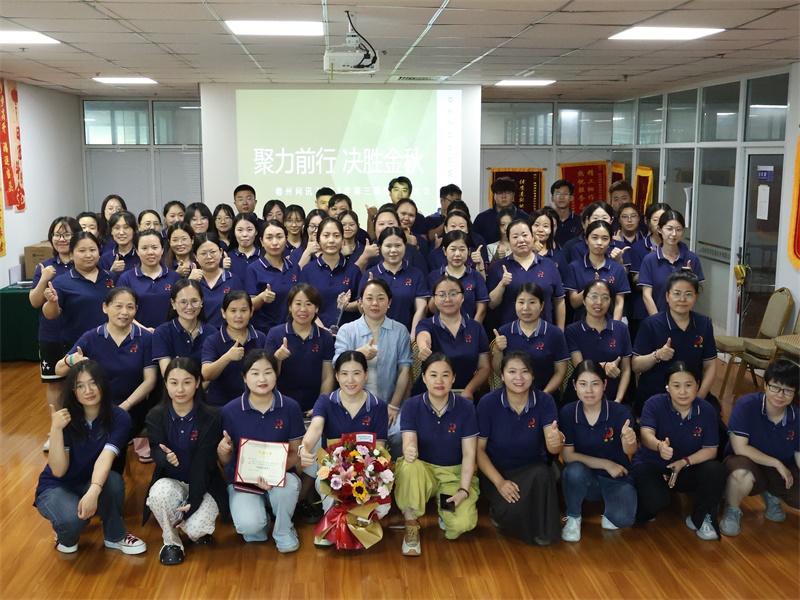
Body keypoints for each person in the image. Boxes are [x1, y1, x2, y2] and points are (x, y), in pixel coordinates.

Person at [34, 360, 146, 555]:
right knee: (73, 522)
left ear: (103, 384)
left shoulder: (119, 418)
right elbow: (58, 471)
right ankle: (64, 534)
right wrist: (56, 429)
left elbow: (106, 457)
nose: (88, 390)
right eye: (80, 386)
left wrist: (93, 491)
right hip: (57, 486)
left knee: (113, 481)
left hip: (89, 480)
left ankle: (115, 536)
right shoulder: (66, 419)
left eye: (93, 383)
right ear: (73, 392)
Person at [299, 351, 391, 545]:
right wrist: (304, 447)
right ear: (337, 376)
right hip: (333, 471)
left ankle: (354, 526)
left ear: (366, 375)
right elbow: (315, 427)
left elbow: (380, 447)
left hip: (366, 472)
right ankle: (334, 527)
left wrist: (366, 475)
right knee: (325, 485)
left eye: (356, 373)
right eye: (345, 374)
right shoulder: (326, 401)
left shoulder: (378, 406)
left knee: (383, 507)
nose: (350, 380)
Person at [218, 351, 303, 552]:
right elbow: (225, 461)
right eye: (255, 373)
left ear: (276, 374)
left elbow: (295, 452)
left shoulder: (290, 407)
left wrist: (272, 474)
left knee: (288, 487)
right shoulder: (229, 411)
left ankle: (283, 530)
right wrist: (224, 450)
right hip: (243, 481)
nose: (262, 379)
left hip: (280, 476)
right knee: (250, 527)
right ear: (244, 377)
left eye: (268, 372)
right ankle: (261, 522)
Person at [395, 353, 480, 556]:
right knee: (408, 466)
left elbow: (469, 454)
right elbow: (409, 442)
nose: (439, 381)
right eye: (433, 375)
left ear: (453, 378)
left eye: (445, 375)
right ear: (424, 378)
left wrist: (463, 490)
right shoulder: (412, 405)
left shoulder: (466, 407)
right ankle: (411, 524)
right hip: (423, 472)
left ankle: (445, 510)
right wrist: (409, 450)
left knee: (461, 524)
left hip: (453, 475)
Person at [144, 357, 225, 565]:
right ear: (166, 384)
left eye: (187, 382)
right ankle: (171, 542)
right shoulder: (155, 415)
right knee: (159, 494)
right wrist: (164, 458)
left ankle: (190, 527)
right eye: (174, 382)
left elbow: (204, 463)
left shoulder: (212, 416)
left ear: (197, 383)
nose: (180, 389)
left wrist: (194, 500)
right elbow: (155, 449)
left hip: (204, 484)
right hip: (172, 481)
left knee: (196, 529)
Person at [476, 351, 563, 545]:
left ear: (532, 375)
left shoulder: (545, 401)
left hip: (533, 470)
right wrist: (500, 483)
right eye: (512, 371)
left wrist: (556, 441)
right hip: (497, 472)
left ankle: (542, 533)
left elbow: (553, 449)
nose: (519, 378)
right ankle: (504, 515)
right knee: (508, 513)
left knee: (543, 474)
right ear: (502, 375)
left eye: (525, 371)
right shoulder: (488, 403)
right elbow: (479, 450)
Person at [56, 288, 158, 452]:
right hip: (93, 406)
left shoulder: (146, 338)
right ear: (105, 307)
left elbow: (150, 381)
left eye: (130, 307)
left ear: (136, 310)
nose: (124, 312)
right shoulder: (91, 337)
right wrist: (72, 360)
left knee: (113, 439)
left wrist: (124, 407)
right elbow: (59, 370)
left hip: (132, 408)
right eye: (118, 306)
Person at [632, 362, 725, 541]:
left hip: (685, 468)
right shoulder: (654, 403)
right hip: (653, 465)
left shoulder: (706, 410)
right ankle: (646, 501)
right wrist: (659, 446)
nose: (683, 392)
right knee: (655, 503)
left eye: (688, 385)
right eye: (676, 386)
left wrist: (684, 462)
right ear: (667, 387)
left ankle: (701, 517)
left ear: (698, 385)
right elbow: (645, 434)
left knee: (716, 470)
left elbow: (711, 450)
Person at [559, 361, 638, 542]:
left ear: (604, 385)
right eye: (583, 384)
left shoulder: (620, 412)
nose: (589, 390)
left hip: (616, 477)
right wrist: (606, 464)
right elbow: (567, 456)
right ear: (574, 386)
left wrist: (630, 441)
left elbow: (630, 451)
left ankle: (609, 506)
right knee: (573, 471)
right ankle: (573, 517)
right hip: (586, 477)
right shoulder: (568, 412)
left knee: (623, 519)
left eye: (595, 384)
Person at [720, 359, 799, 537]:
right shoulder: (746, 405)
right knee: (741, 475)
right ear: (765, 385)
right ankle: (732, 509)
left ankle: (772, 495)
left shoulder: (797, 417)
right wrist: (776, 463)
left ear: (795, 393)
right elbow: (740, 448)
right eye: (775, 387)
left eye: (788, 390)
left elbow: (798, 454)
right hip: (746, 461)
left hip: (780, 469)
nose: (780, 395)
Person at [333, 279, 412, 439]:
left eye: (381, 298)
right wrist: (358, 354)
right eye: (369, 298)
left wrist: (394, 406)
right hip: (352, 405)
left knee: (398, 435)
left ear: (389, 302)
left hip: (389, 403)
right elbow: (337, 364)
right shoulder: (347, 330)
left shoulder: (400, 331)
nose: (375, 303)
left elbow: (405, 371)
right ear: (360, 302)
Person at [632, 272, 717, 413]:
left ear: (696, 296)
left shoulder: (704, 324)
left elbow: (710, 366)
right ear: (667, 296)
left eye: (688, 294)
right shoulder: (651, 324)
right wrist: (657, 355)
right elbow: (636, 365)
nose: (682, 299)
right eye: (677, 293)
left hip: (691, 394)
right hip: (656, 396)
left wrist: (698, 399)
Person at [30, 217, 82, 430]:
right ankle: (57, 430)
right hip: (51, 335)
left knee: (84, 380)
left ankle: (83, 428)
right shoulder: (45, 266)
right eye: (57, 235)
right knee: (54, 383)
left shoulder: (84, 262)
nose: (62, 239)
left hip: (79, 334)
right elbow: (34, 302)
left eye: (67, 234)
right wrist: (44, 278)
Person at [42, 231, 116, 361]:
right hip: (77, 347)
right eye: (82, 251)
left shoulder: (111, 277)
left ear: (99, 252)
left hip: (111, 344)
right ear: (71, 254)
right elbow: (50, 315)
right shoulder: (61, 282)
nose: (88, 255)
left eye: (92, 250)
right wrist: (52, 302)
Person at [264, 284, 335, 415]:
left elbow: (327, 376)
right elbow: (267, 376)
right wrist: (277, 359)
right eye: (298, 304)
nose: (303, 309)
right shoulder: (275, 334)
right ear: (290, 307)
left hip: (314, 405)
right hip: (281, 406)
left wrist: (321, 406)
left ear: (316, 308)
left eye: (308, 304)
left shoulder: (325, 337)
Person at [415, 276, 489, 400]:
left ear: (462, 297)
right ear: (434, 299)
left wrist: (469, 391)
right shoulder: (426, 324)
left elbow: (484, 367)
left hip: (466, 393)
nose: (448, 299)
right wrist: (423, 347)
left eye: (453, 294)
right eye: (441, 295)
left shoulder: (476, 328)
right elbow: (423, 336)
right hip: (430, 394)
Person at [492, 284, 569, 396]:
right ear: (515, 304)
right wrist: (498, 350)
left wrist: (544, 395)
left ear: (542, 305)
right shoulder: (504, 332)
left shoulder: (555, 333)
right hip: (512, 395)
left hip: (546, 394)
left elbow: (560, 371)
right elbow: (499, 371)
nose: (526, 308)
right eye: (521, 302)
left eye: (532, 302)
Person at [487, 218, 566, 329]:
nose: (521, 240)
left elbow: (559, 301)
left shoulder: (549, 265)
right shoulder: (498, 267)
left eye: (525, 235)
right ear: (509, 241)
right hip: (511, 333)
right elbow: (491, 304)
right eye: (515, 237)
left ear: (533, 237)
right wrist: (502, 284)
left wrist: (560, 331)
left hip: (545, 332)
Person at [565, 280, 632, 404]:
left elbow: (626, 369)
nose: (599, 302)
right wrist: (604, 366)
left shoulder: (621, 329)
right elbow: (580, 366)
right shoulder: (572, 330)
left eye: (605, 298)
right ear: (584, 300)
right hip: (581, 398)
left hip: (614, 396)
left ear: (610, 301)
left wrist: (618, 400)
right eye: (594, 296)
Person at [201, 291, 267, 407]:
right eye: (233, 311)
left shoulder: (260, 337)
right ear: (223, 313)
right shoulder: (212, 340)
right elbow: (206, 374)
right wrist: (227, 357)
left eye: (243, 310)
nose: (238, 316)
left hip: (254, 404)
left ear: (251, 311)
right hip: (221, 405)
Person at [362, 227, 429, 335]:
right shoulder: (371, 274)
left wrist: (412, 336)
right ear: (380, 247)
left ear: (405, 246)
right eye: (388, 246)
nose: (393, 250)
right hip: (375, 335)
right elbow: (362, 310)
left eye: (398, 245)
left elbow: (421, 308)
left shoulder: (416, 274)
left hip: (407, 334)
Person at [299, 217, 362, 329]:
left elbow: (361, 302)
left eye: (336, 236)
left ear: (343, 240)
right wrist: (322, 329)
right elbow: (302, 304)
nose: (331, 240)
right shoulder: (308, 271)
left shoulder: (354, 270)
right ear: (318, 240)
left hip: (347, 333)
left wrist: (347, 306)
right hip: (315, 331)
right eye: (326, 235)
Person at [639, 209, 704, 316]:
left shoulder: (691, 258)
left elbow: (698, 292)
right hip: (657, 317)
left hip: (684, 317)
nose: (674, 234)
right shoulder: (650, 260)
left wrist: (691, 279)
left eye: (678, 229)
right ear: (660, 229)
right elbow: (647, 295)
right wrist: (658, 321)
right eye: (669, 229)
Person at [564, 221, 630, 322]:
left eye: (605, 238)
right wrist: (593, 287)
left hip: (609, 323)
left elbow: (619, 303)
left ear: (610, 241)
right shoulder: (574, 267)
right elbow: (574, 303)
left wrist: (615, 326)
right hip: (581, 324)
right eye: (594, 238)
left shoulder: (617, 268)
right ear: (586, 240)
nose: (599, 242)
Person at [117, 230, 181, 330]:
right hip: (136, 333)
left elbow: (181, 309)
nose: (150, 252)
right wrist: (143, 330)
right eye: (144, 248)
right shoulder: (126, 278)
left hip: (169, 334)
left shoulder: (174, 277)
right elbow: (120, 310)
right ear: (137, 251)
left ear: (162, 250)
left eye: (154, 247)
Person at [247, 220, 299, 334]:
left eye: (279, 237)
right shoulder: (253, 269)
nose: (275, 242)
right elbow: (248, 306)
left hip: (293, 330)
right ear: (262, 241)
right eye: (269, 238)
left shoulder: (294, 267)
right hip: (265, 332)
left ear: (286, 239)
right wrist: (261, 298)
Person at [153, 278, 214, 375]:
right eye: (183, 302)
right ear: (173, 304)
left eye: (194, 301)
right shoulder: (162, 333)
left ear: (202, 302)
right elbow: (167, 375)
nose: (189, 307)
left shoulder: (212, 333)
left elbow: (211, 375)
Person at [628, 202, 671, 338]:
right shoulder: (638, 248)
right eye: (656, 220)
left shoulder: (678, 248)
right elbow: (636, 282)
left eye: (664, 220)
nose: (660, 224)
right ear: (647, 221)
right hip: (642, 310)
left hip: (671, 308)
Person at [427, 231, 488, 322]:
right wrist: (441, 287)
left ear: (469, 251)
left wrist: (473, 328)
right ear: (444, 251)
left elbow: (481, 309)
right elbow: (432, 309)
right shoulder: (434, 276)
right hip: (440, 327)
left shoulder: (476, 276)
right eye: (453, 249)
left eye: (462, 249)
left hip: (470, 327)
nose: (457, 254)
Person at [190, 233, 244, 329]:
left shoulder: (233, 280)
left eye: (213, 252)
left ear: (221, 252)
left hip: (227, 334)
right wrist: (189, 283)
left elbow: (241, 311)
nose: (209, 257)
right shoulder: (192, 281)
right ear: (195, 256)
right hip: (198, 334)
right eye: (203, 253)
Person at [562, 202, 627, 266]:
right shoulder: (574, 247)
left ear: (611, 220)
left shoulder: (620, 246)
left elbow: (627, 272)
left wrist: (619, 262)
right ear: (588, 220)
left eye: (604, 218)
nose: (600, 221)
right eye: (595, 218)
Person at [473, 177, 527, 245]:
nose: (503, 196)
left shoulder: (524, 217)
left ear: (513, 195)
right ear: (494, 196)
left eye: (507, 192)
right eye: (500, 193)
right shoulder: (482, 218)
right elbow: (474, 241)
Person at [100, 211, 140, 276]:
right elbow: (100, 281)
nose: (121, 232)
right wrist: (111, 272)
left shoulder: (141, 255)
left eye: (126, 227)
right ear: (111, 231)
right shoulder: (105, 259)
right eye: (117, 228)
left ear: (134, 230)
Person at [228, 213, 262, 282]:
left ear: (256, 232)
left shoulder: (265, 255)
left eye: (249, 230)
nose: (244, 234)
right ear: (234, 232)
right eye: (240, 230)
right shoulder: (228, 258)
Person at [550, 180, 582, 248]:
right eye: (558, 193)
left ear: (571, 198)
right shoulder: (547, 220)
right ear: (552, 198)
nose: (561, 197)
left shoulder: (580, 221)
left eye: (565, 194)